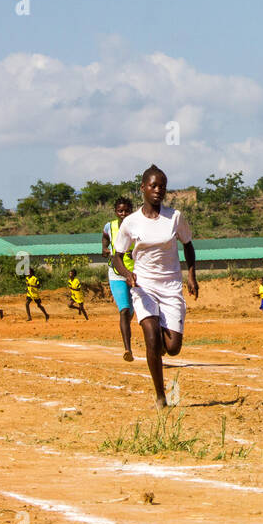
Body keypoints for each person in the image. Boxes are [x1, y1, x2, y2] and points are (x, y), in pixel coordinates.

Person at [112, 164, 198, 408]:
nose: (158, 190)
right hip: (143, 285)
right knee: (151, 336)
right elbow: (117, 256)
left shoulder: (175, 217)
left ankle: (160, 343)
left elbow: (188, 245)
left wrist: (191, 276)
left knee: (172, 348)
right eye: (153, 185)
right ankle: (160, 396)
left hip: (171, 286)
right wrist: (128, 274)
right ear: (143, 188)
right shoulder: (131, 222)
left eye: (162, 186)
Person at [103, 197, 137, 361]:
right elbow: (105, 236)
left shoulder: (139, 225)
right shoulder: (110, 226)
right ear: (115, 212)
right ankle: (127, 349)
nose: (123, 214)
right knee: (123, 311)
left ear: (132, 210)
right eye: (120, 211)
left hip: (137, 274)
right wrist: (104, 247)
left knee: (133, 312)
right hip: (117, 273)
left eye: (127, 210)